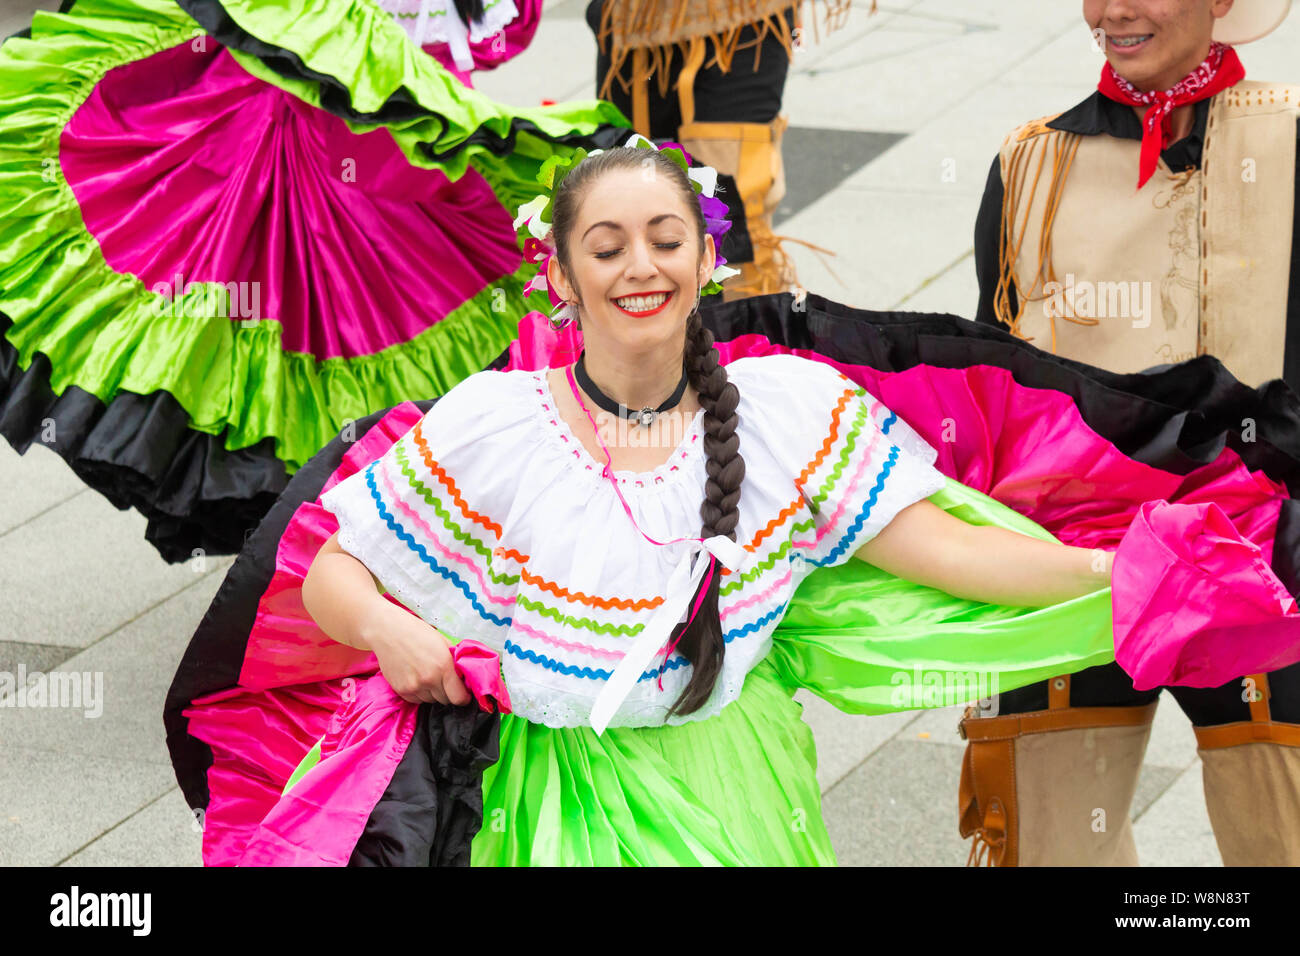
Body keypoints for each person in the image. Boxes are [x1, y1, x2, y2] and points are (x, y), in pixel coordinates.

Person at [165, 138, 1300, 865]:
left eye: (664, 239)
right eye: (603, 248)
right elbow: (330, 572)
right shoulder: (493, 423)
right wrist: (392, 628)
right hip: (547, 796)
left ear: (702, 262)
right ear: (559, 276)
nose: (637, 267)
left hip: (729, 778)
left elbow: (942, 551)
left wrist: (1118, 571)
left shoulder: (783, 411)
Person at [0, 0, 627, 561]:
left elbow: (496, 34)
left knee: (347, 323)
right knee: (267, 309)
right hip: (294, 126)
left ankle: (337, 533)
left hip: (393, 158)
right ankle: (310, 529)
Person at [969, 0, 1300, 865]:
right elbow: (993, 383)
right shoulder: (1030, 163)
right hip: (1072, 560)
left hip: (1261, 554)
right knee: (1048, 839)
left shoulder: (1291, 144)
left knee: (1283, 835)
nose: (1114, 9)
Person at [585, 0, 855, 299]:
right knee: (631, 192)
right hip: (634, 20)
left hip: (743, 15)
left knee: (736, 208)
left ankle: (745, 335)